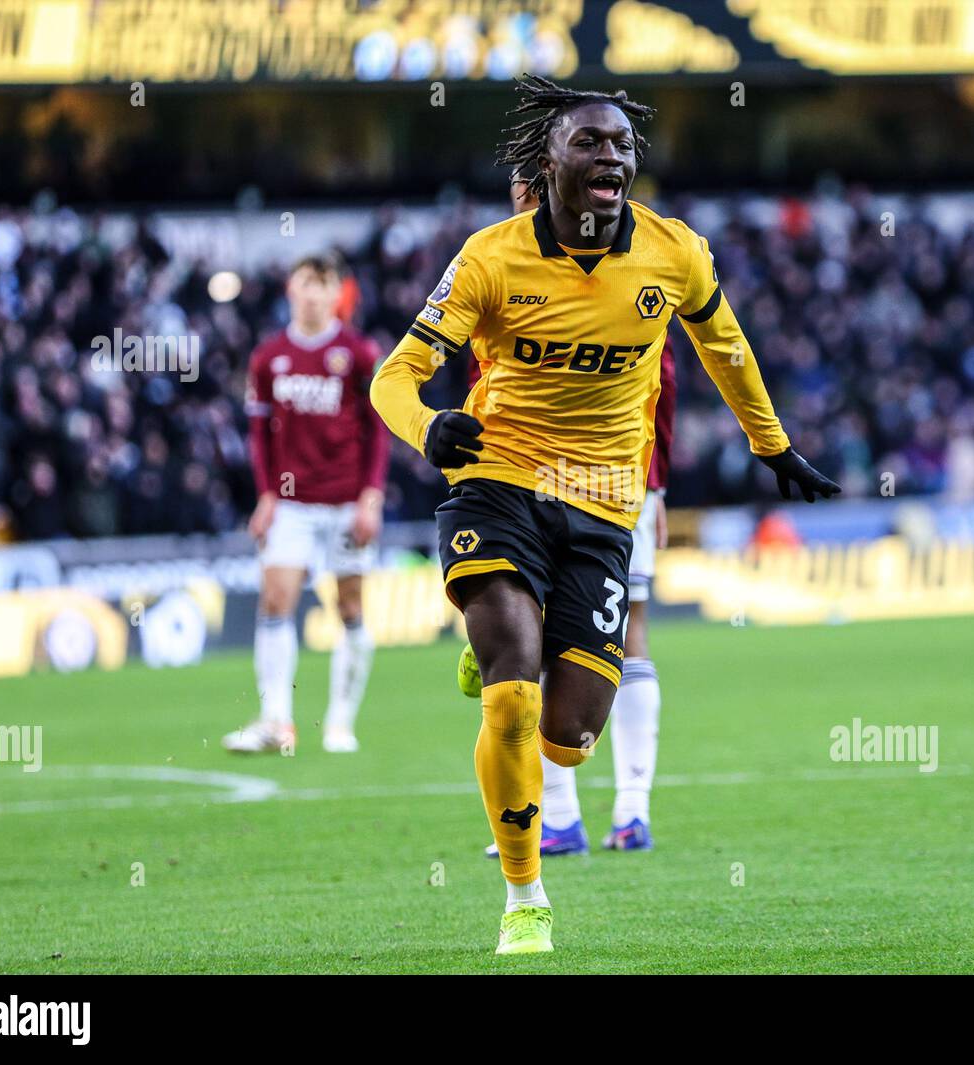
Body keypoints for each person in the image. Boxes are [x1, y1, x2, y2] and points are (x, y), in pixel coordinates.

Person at [371, 75, 838, 955]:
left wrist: (772, 446)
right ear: (548, 161)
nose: (611, 155)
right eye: (590, 141)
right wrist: (428, 425)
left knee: (571, 733)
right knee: (512, 684)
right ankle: (525, 898)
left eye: (622, 143)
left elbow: (727, 349)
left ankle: (509, 653)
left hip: (606, 505)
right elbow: (390, 376)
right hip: (498, 481)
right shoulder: (489, 258)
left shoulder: (675, 253)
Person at [468, 165, 676, 858]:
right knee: (519, 634)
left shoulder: (629, 269)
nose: (524, 206)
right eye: (518, 195)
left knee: (624, 634)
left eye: (532, 192)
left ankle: (628, 808)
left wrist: (658, 483)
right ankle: (559, 815)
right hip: (517, 484)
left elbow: (660, 383)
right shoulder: (496, 262)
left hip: (614, 485)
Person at [224, 254, 389, 754]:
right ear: (290, 290)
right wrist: (266, 496)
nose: (314, 294)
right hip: (291, 504)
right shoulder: (268, 357)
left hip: (344, 500)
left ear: (337, 292)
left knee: (350, 606)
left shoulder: (358, 352)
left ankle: (340, 721)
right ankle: (277, 722)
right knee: (275, 602)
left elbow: (377, 428)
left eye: (324, 285)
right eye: (305, 284)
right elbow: (258, 434)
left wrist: (371, 496)